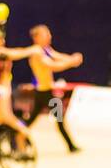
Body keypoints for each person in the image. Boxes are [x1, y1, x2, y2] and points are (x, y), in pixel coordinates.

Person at [22, 24, 83, 154]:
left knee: (34, 119)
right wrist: (72, 62)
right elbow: (53, 66)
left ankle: (18, 137)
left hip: (44, 92)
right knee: (58, 118)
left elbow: (58, 56)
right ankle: (71, 146)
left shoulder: (46, 49)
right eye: (46, 34)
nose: (49, 36)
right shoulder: (36, 52)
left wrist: (73, 59)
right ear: (37, 37)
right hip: (44, 93)